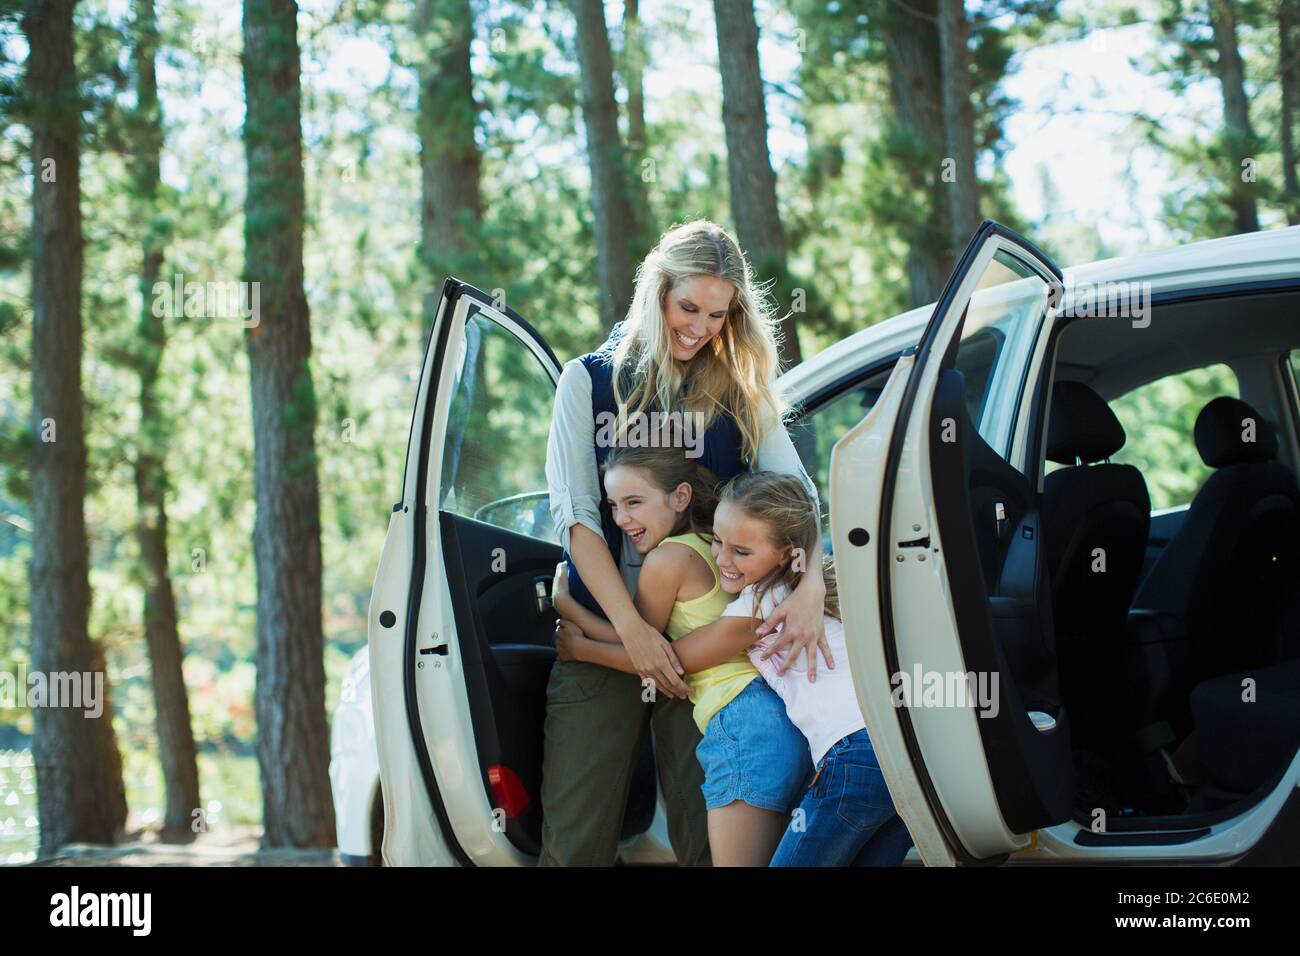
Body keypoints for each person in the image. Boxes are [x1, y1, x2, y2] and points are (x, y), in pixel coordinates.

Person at [540, 219, 828, 867]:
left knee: (710, 846)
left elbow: (800, 501)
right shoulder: (585, 382)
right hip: (607, 643)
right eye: (687, 306)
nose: (699, 326)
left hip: (709, 656)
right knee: (576, 842)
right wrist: (635, 636)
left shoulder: (740, 397)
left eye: (717, 314)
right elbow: (579, 521)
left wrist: (810, 585)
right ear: (657, 292)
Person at [558, 471, 913, 867]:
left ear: (786, 553)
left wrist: (580, 642)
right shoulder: (822, 593)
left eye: (741, 552)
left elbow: (669, 662)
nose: (723, 560)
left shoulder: (762, 606)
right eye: (719, 542)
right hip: (904, 757)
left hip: (855, 758)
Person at [553, 448, 808, 866]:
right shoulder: (718, 547)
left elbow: (648, 653)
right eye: (613, 506)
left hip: (740, 719)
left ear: (680, 496)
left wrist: (571, 615)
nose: (620, 520)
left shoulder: (667, 560)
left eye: (634, 503)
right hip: (776, 716)